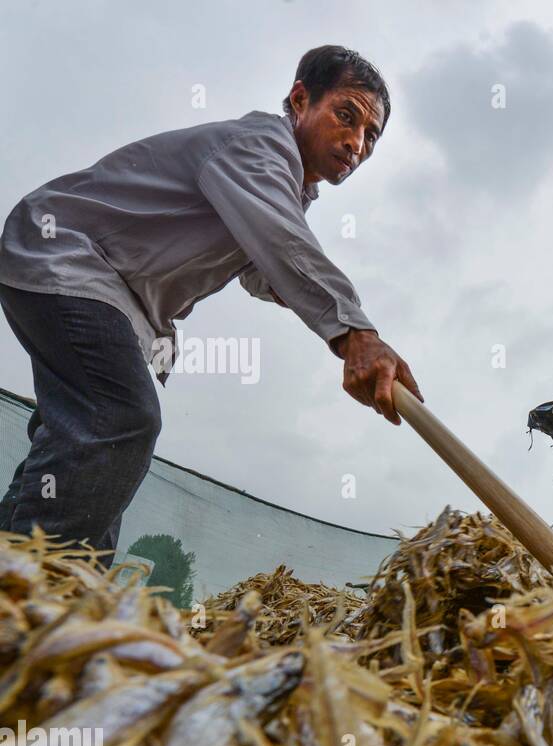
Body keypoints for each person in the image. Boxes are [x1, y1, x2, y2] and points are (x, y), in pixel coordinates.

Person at [0, 45, 423, 554]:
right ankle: (39, 597)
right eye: (346, 116)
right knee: (119, 420)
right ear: (300, 98)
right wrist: (355, 334)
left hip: (120, 301)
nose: (356, 142)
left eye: (370, 136)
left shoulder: (283, 187)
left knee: (87, 455)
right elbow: (282, 243)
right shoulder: (257, 148)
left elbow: (264, 268)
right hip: (67, 255)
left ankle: (33, 573)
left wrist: (309, 298)